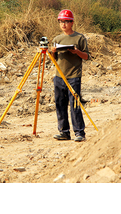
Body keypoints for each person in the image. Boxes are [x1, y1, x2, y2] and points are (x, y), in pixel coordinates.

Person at [50, 9, 90, 142]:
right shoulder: (57, 39)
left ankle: (79, 133)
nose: (63, 24)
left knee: (74, 105)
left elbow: (86, 56)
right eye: (61, 22)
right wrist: (52, 52)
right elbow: (53, 59)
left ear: (71, 22)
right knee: (60, 104)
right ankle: (64, 132)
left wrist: (76, 51)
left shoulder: (79, 38)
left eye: (66, 22)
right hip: (59, 77)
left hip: (74, 76)